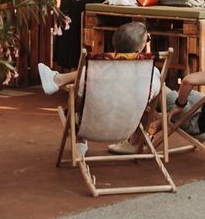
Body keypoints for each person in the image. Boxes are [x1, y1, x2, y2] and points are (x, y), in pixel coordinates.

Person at [37, 21, 163, 156]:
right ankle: (134, 143)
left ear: (114, 43)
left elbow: (78, 105)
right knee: (146, 106)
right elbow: (152, 101)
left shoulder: (92, 71)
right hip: (127, 128)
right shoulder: (152, 74)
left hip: (91, 128)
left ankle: (80, 140)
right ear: (140, 49)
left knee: (75, 98)